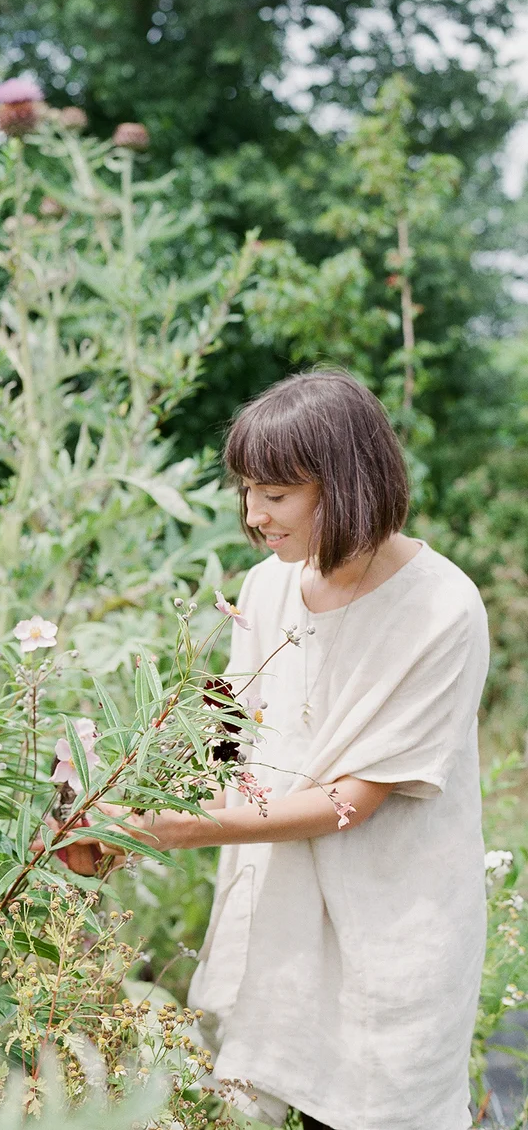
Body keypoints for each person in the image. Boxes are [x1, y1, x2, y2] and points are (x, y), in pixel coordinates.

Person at [81, 371, 490, 1130]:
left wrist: (184, 829)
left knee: (368, 1108)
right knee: (260, 1093)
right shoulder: (267, 586)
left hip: (389, 920)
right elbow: (233, 735)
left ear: (347, 484)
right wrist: (126, 814)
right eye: (247, 490)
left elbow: (351, 802)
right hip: (279, 916)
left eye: (275, 493)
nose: (253, 514)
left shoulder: (442, 608)